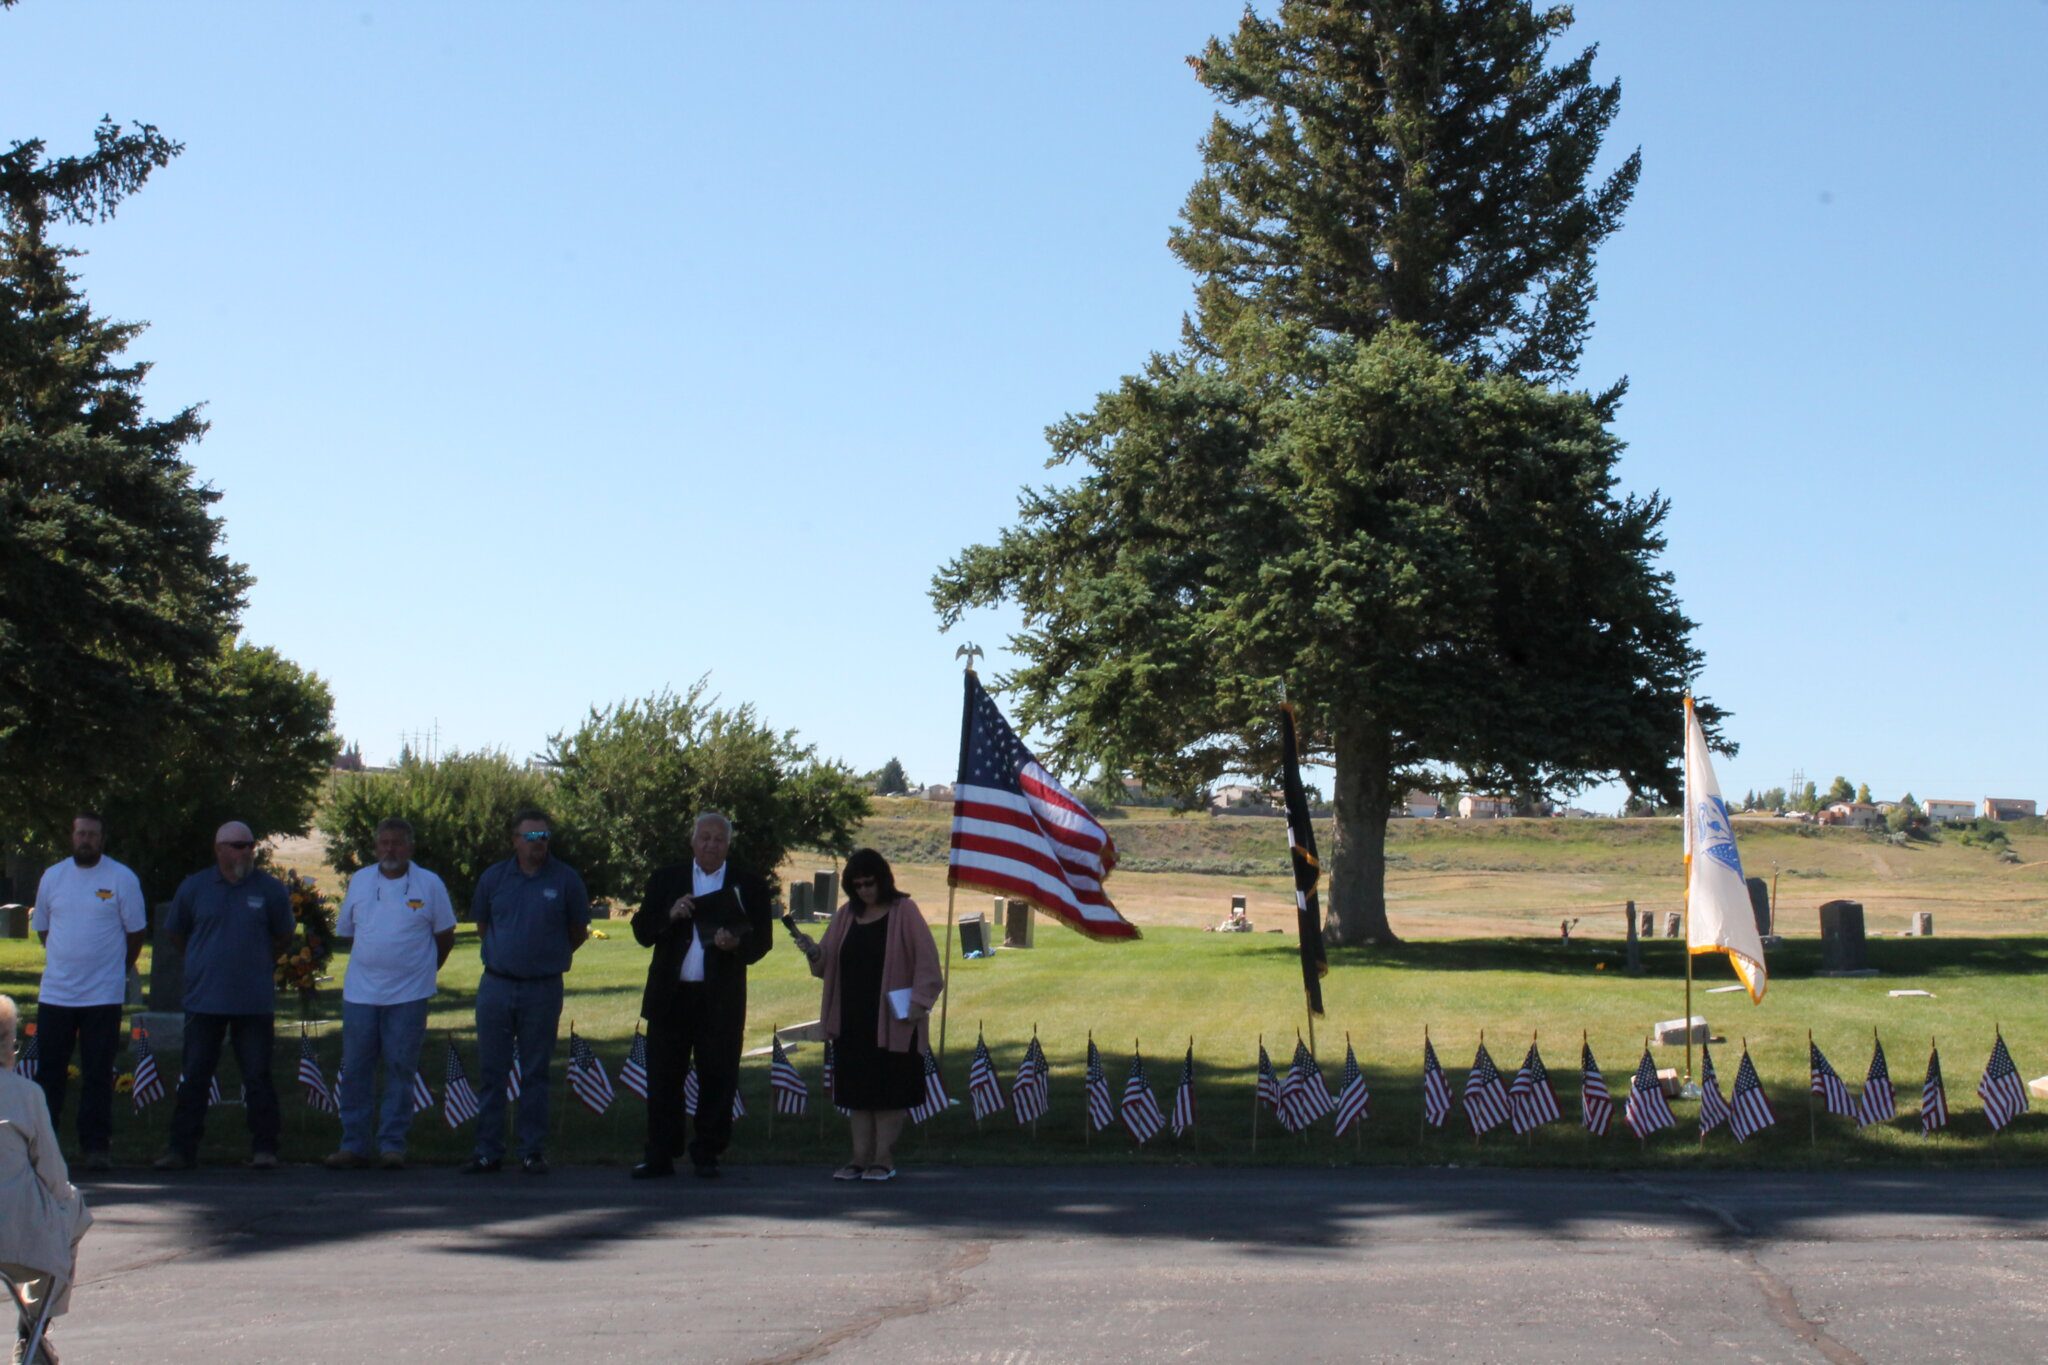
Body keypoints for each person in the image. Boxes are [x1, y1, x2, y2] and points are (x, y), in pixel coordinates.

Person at [630, 811, 772, 1179]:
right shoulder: (667, 879)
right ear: (692, 841)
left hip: (719, 1000)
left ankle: (708, 1152)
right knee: (663, 1078)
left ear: (728, 845)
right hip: (671, 996)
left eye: (719, 839)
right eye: (705, 837)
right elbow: (642, 931)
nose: (711, 844)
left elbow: (762, 942)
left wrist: (736, 944)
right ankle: (660, 1154)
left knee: (718, 1077)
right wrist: (670, 915)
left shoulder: (749, 885)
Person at [795, 847, 942, 1183]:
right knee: (857, 1094)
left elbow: (928, 963)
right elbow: (826, 965)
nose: (863, 890)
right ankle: (859, 1159)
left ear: (883, 880)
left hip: (894, 1020)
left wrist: (920, 1002)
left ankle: (883, 1159)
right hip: (851, 1019)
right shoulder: (846, 915)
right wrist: (814, 952)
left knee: (889, 1092)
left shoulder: (905, 912)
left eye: (869, 883)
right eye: (857, 885)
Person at [154, 823, 295, 1171]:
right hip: (205, 1001)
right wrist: (202, 959)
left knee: (258, 1077)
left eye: (250, 845)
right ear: (219, 849)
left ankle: (265, 1149)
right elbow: (176, 933)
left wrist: (257, 961)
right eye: (237, 845)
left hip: (253, 1002)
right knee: (194, 1076)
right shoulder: (195, 887)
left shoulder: (270, 889)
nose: (246, 851)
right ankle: (181, 1149)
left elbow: (283, 936)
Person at [325, 818, 456, 1171]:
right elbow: (348, 932)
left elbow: (445, 936)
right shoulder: (360, 880)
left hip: (409, 996)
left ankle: (392, 1145)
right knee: (355, 1069)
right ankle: (353, 1145)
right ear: (375, 847)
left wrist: (424, 971)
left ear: (410, 847)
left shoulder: (429, 884)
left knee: (400, 1068)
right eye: (384, 843)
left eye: (397, 843)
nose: (390, 850)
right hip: (360, 994)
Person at [464, 808, 589, 1176]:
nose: (539, 843)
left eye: (544, 836)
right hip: (497, 986)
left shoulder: (566, 879)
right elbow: (483, 926)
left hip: (542, 989)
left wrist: (546, 957)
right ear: (515, 840)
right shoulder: (494, 878)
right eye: (531, 837)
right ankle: (487, 1151)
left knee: (536, 1072)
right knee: (492, 1071)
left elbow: (577, 931)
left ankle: (532, 1151)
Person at [30, 812, 147, 1172]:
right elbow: (44, 929)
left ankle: (96, 1147)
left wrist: (117, 970)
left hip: (103, 997)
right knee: (49, 1074)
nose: (85, 840)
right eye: (80, 833)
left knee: (97, 1073)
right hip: (56, 995)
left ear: (102, 839)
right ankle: (44, 1148)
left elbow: (136, 933)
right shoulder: (53, 877)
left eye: (92, 835)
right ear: (72, 836)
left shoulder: (121, 878)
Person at [1, 995, 92, 1365]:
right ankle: (32, 1332)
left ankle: (33, 1332)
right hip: (14, 1236)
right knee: (73, 1207)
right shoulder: (26, 1095)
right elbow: (54, 1176)